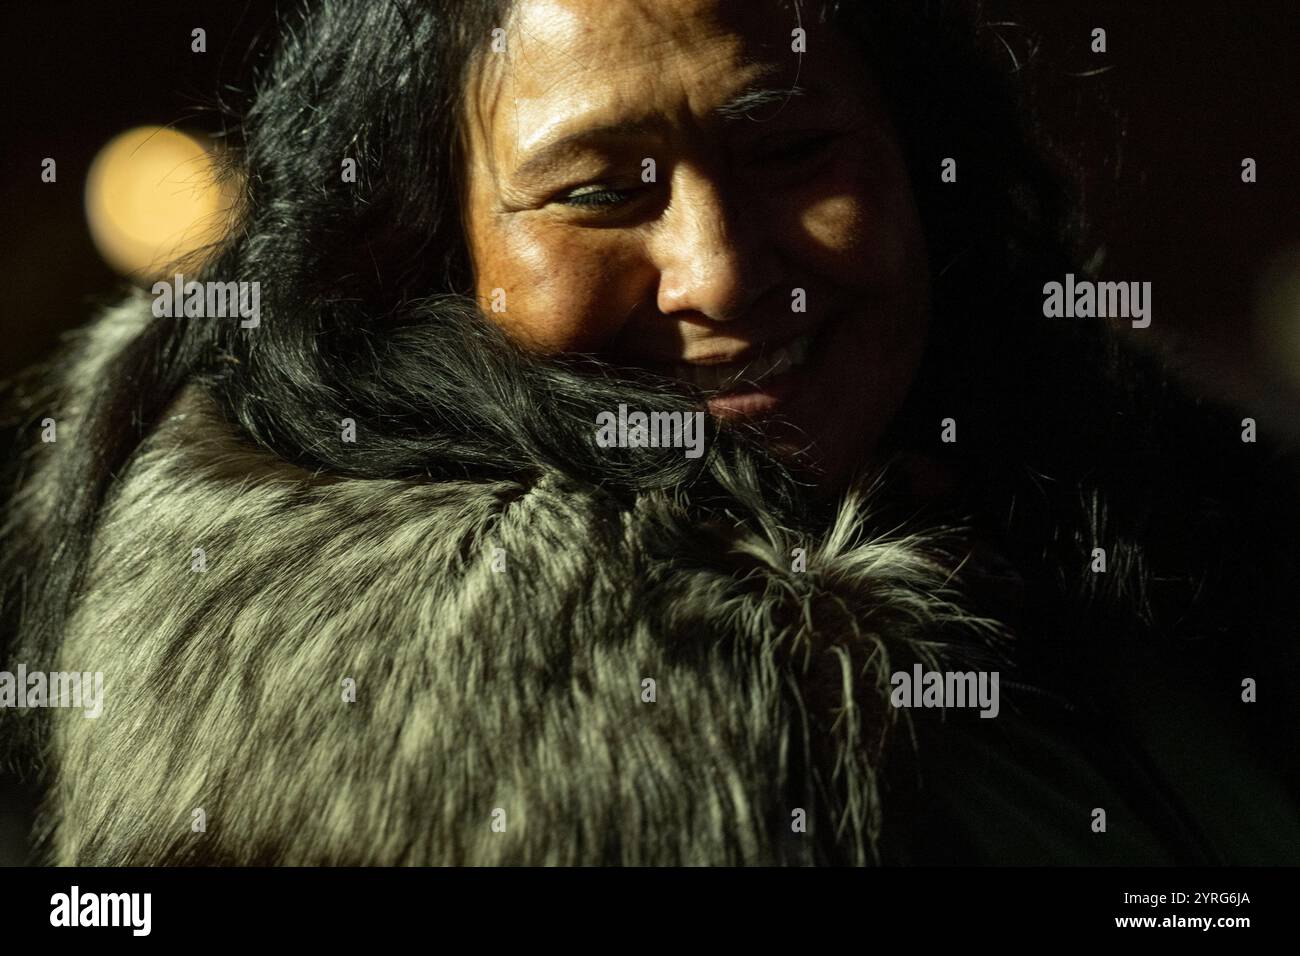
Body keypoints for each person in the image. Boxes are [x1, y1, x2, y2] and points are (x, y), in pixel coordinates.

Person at [1, 0, 1296, 865]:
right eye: (600, 194)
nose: (720, 273)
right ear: (423, 255)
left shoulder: (1144, 519)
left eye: (793, 150)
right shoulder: (403, 759)